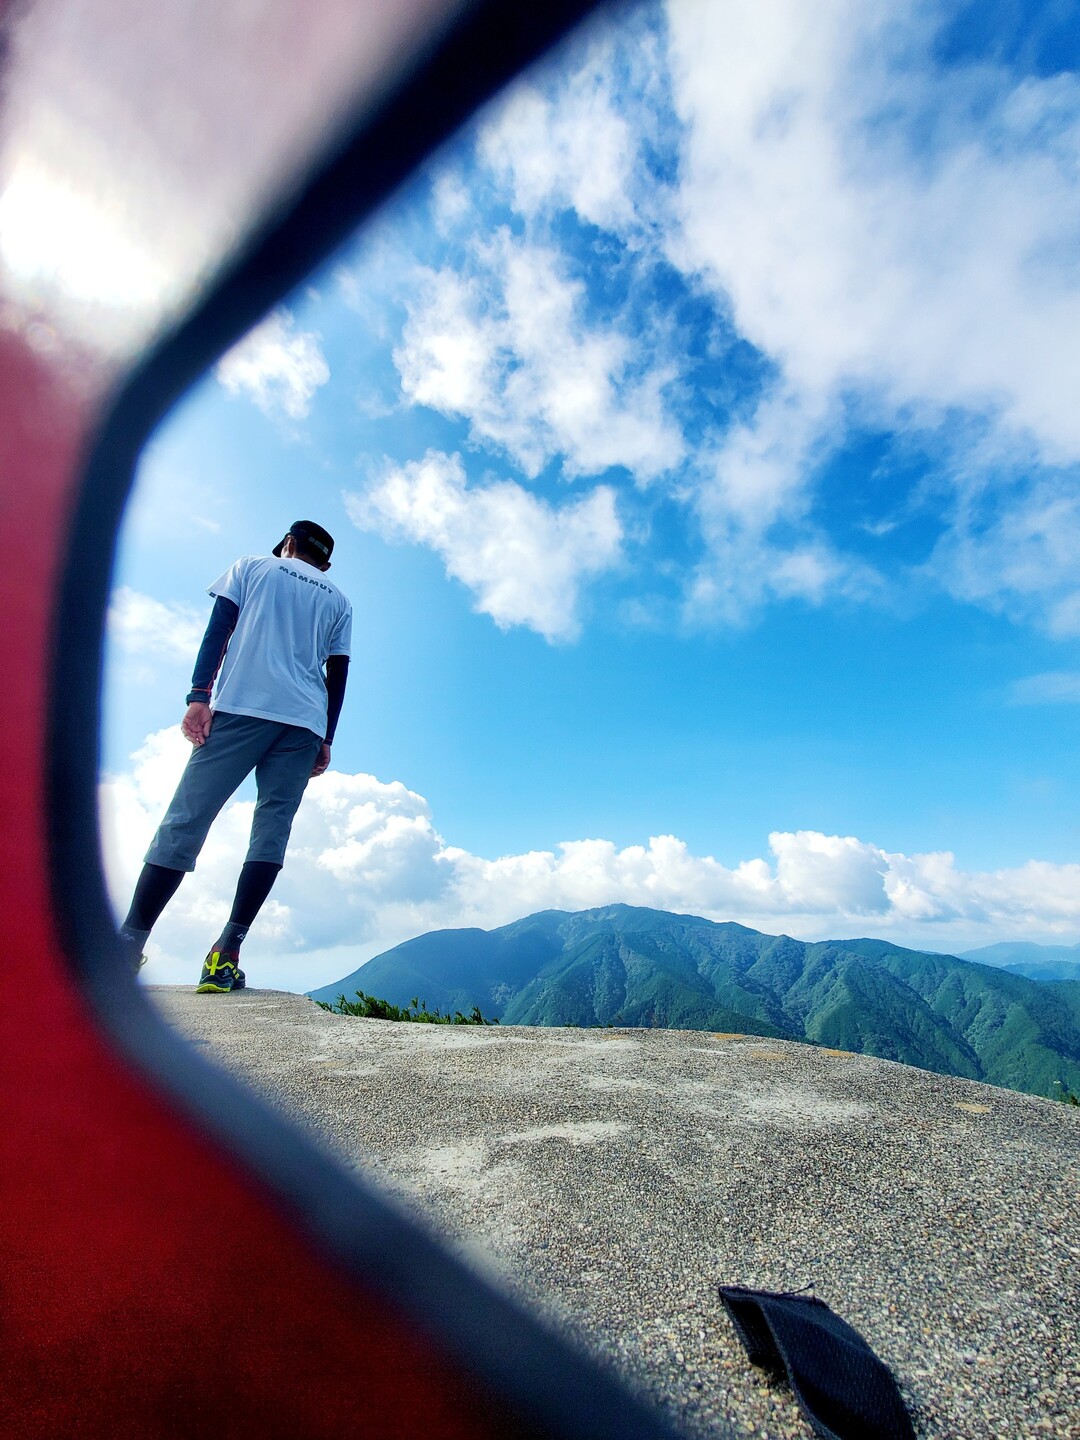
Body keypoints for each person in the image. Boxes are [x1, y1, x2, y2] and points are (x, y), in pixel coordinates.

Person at [118, 520, 352, 993]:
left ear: (287, 544)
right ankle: (226, 953)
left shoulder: (251, 566)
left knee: (187, 819)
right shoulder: (339, 600)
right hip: (304, 723)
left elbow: (218, 631)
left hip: (242, 708)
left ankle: (125, 948)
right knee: (271, 833)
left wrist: (197, 695)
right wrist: (326, 736)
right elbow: (338, 674)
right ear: (324, 562)